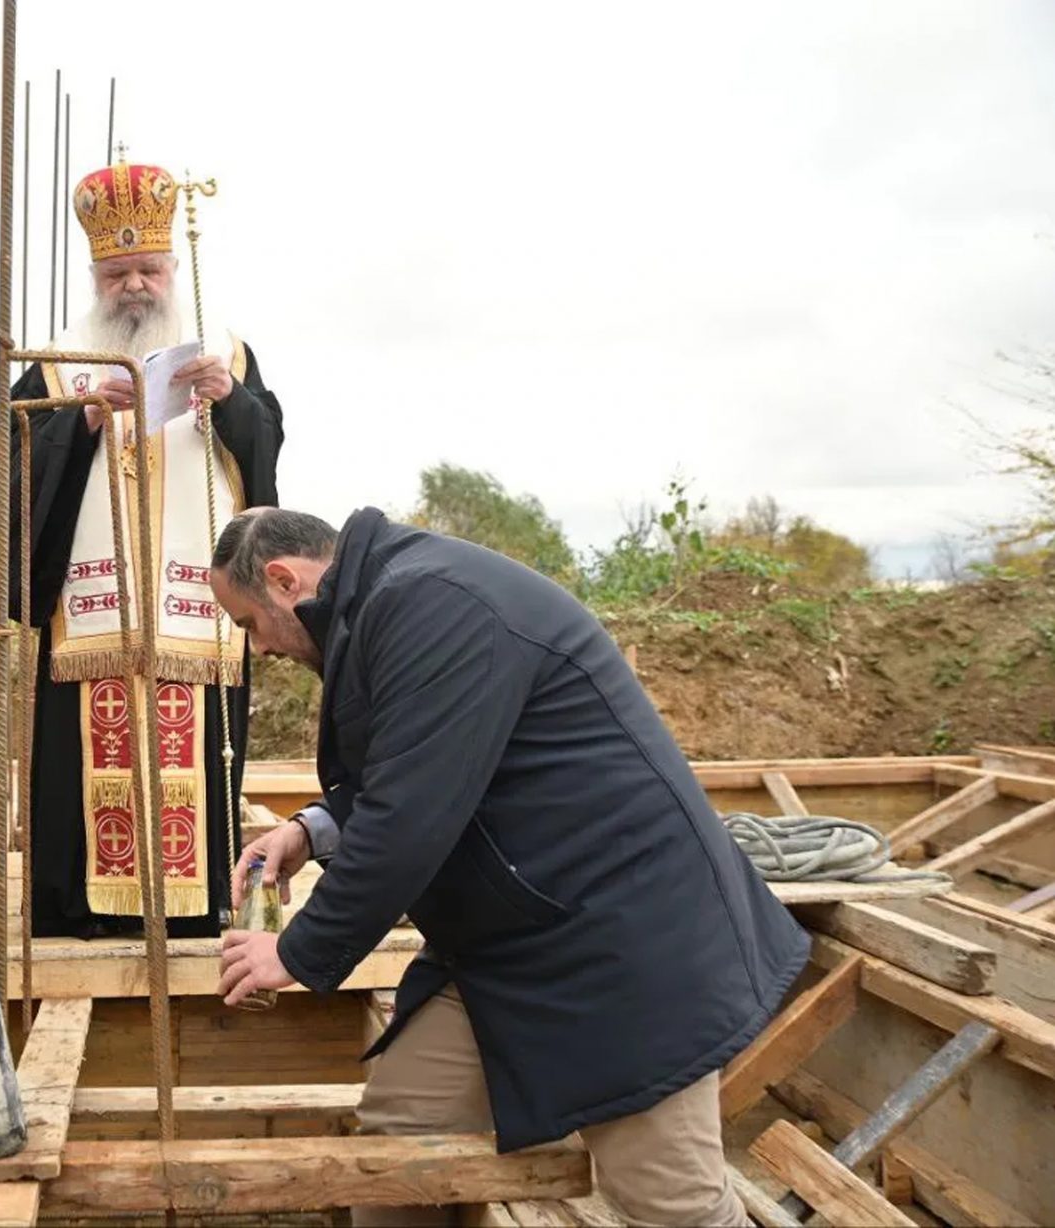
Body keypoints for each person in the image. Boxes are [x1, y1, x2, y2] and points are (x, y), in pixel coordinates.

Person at [211, 507, 810, 1226]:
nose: (261, 651)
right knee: (403, 1145)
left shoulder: (432, 601)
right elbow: (413, 763)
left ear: (282, 580)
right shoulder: (389, 604)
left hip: (619, 948)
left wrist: (299, 951)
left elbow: (411, 812)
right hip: (503, 945)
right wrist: (310, 831)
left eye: (246, 623)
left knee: (666, 1199)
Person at [0, 156, 284, 940]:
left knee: (201, 763)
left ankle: (194, 913)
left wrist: (234, 402)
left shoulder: (226, 349)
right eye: (117, 272)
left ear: (170, 267)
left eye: (149, 270)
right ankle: (82, 913)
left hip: (196, 611)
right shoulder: (56, 360)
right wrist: (81, 418)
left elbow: (265, 449)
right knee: (85, 768)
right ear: (95, 275)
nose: (135, 287)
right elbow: (7, 470)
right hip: (91, 616)